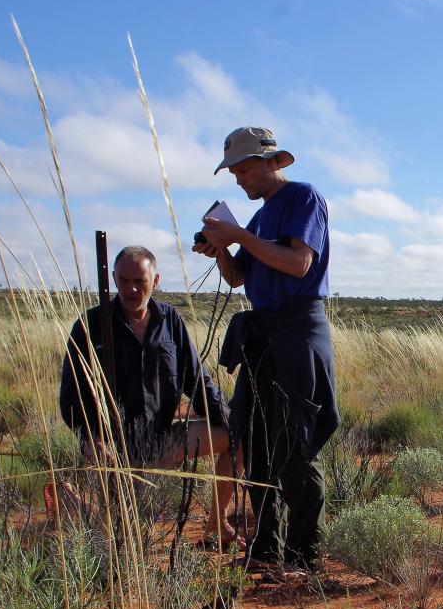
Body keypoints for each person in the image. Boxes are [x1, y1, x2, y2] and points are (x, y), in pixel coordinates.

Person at [192, 126, 339, 577]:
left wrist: (238, 233)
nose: (239, 179)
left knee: (294, 445)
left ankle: (302, 557)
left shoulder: (303, 198)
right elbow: (238, 277)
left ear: (272, 162)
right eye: (233, 173)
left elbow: (298, 263)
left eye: (244, 169)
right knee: (254, 443)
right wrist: (220, 248)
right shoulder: (258, 220)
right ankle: (266, 549)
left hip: (298, 331)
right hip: (263, 335)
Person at [59, 245, 232, 541]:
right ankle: (71, 502)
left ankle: (217, 523)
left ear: (156, 280)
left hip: (164, 440)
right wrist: (91, 438)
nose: (131, 289)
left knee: (236, 436)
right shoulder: (90, 325)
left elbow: (196, 379)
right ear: (113, 278)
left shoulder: (169, 321)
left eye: (140, 281)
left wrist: (228, 417)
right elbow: (71, 396)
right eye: (124, 280)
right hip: (115, 450)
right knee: (122, 540)